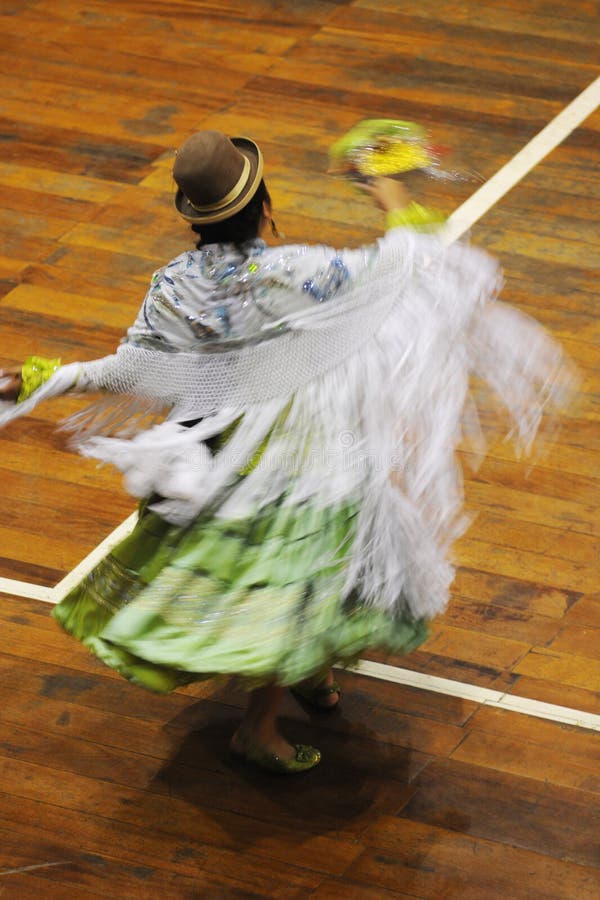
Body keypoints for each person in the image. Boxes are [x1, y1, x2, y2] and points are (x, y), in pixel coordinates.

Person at [0, 130, 571, 773]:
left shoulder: (172, 285)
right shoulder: (299, 271)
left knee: (295, 578)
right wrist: (385, 188)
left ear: (193, 219)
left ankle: (309, 676)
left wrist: (51, 377)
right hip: (296, 462)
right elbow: (407, 265)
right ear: (265, 207)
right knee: (297, 584)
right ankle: (259, 726)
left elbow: (132, 367)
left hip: (222, 454)